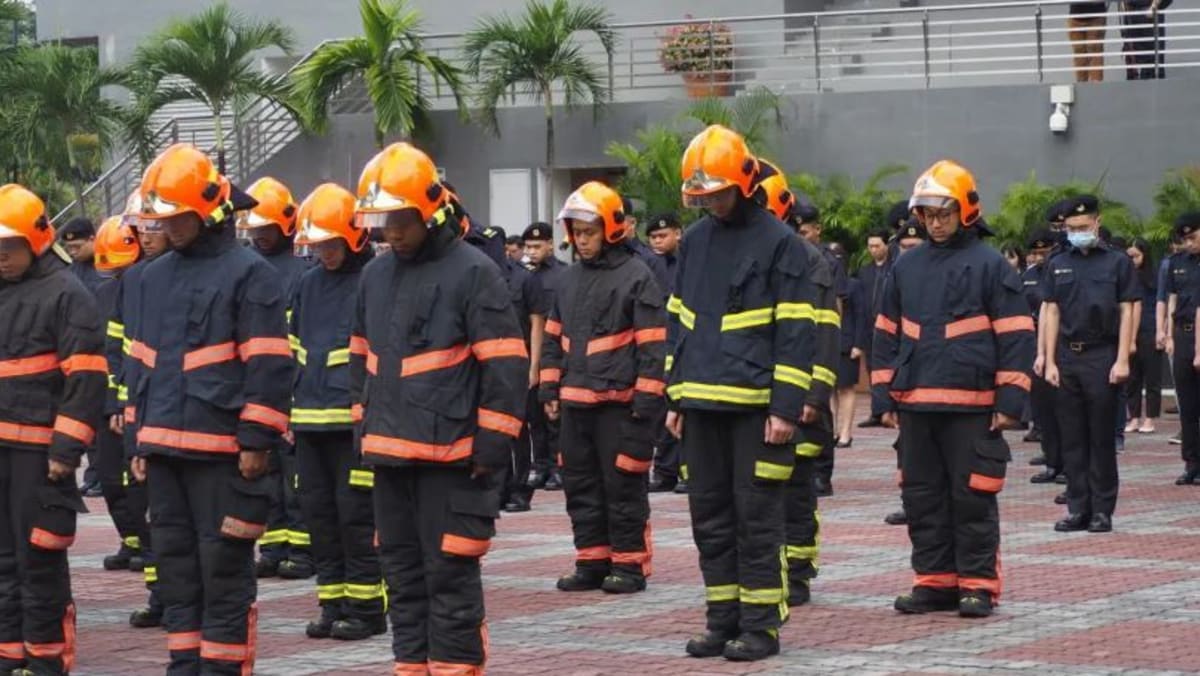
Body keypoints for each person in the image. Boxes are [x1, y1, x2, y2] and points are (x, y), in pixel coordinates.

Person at [351, 142, 528, 675]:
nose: (391, 232)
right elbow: (361, 363)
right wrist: (363, 436)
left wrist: (491, 448)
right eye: (382, 221)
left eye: (401, 219)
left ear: (429, 211)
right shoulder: (374, 276)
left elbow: (505, 365)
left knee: (449, 580)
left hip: (454, 461)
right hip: (389, 458)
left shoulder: (473, 270)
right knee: (401, 581)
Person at [127, 144, 293, 675]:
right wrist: (138, 441)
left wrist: (256, 439)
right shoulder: (151, 277)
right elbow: (142, 365)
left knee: (222, 569)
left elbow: (268, 363)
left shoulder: (252, 273)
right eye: (162, 219)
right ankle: (184, 666)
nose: (168, 228)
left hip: (224, 454)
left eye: (177, 218)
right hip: (165, 453)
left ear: (209, 210)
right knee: (175, 570)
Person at [668, 125, 817, 661]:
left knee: (756, 520)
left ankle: (760, 626)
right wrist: (676, 397)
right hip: (702, 405)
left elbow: (798, 330)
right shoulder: (695, 242)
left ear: (744, 183)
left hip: (757, 410)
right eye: (700, 197)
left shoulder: (782, 244)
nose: (708, 204)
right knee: (709, 518)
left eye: (716, 194)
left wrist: (784, 407)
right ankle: (721, 619)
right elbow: (679, 322)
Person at [872, 160, 1034, 618]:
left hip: (973, 405)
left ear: (966, 211)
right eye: (927, 215)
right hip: (917, 403)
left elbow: (1017, 333)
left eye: (944, 213)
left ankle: (977, 585)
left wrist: (1011, 401)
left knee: (972, 496)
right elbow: (885, 333)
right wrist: (883, 395)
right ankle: (935, 581)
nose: (936, 223)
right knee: (921, 496)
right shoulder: (906, 265)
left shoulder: (990, 264)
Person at [538, 182, 664, 594]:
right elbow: (554, 339)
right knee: (580, 484)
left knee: (622, 485)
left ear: (611, 229)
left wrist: (646, 403)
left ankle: (628, 565)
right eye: (576, 232)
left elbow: (652, 347)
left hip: (620, 405)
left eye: (588, 232)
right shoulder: (569, 280)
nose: (580, 240)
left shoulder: (637, 276)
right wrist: (548, 390)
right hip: (575, 404)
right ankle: (592, 559)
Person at [0, 184, 104, 676]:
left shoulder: (67, 294)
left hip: (41, 457)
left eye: (9, 248)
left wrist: (66, 450)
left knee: (39, 561)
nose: (1, 258)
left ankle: (45, 662)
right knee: (2, 564)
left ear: (37, 240)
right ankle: (9, 657)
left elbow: (84, 379)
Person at [286, 183, 386, 641]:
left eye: (332, 243)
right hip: (308, 422)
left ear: (354, 237)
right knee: (319, 516)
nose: (325, 252)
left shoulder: (375, 280)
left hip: (353, 425)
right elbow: (292, 349)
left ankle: (366, 609)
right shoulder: (306, 285)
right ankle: (331, 603)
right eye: (319, 245)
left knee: (356, 516)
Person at [754, 161, 838, 609]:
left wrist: (812, 395)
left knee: (797, 494)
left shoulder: (809, 262)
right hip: (754, 397)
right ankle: (767, 572)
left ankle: (799, 571)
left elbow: (824, 333)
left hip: (799, 400)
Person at [1041, 195, 1136, 533]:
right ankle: (1077, 507)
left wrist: (1123, 357)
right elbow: (1051, 310)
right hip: (1067, 355)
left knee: (1099, 436)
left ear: (1097, 222)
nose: (1077, 233)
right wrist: (1049, 359)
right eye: (1071, 229)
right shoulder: (1058, 262)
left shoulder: (1117, 262)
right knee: (1072, 437)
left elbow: (1127, 310)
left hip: (1102, 354)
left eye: (1083, 227)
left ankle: (1102, 510)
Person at [236, 177, 314, 581]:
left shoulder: (302, 273)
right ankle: (273, 544)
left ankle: (302, 549)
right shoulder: (248, 269)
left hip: (295, 388)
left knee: (295, 477)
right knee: (266, 474)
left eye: (267, 229)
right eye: (256, 230)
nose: (261, 236)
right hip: (261, 387)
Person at [110, 190, 170, 630]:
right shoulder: (132, 279)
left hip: (171, 407)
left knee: (173, 512)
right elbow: (119, 344)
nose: (145, 236)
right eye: (140, 227)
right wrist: (118, 398)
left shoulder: (178, 277)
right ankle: (159, 593)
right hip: (136, 406)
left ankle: (181, 595)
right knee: (142, 501)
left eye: (153, 226)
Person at [92, 217, 147, 574]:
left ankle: (145, 541)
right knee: (111, 480)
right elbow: (110, 349)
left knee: (140, 482)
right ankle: (130, 539)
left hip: (140, 400)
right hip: (111, 398)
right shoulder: (105, 293)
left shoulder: (150, 286)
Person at [793, 203, 846, 497]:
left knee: (819, 410)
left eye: (803, 231)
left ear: (816, 229)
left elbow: (835, 304)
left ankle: (822, 473)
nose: (800, 237)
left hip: (822, 336)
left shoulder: (827, 259)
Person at [881, 219, 928, 528]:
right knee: (906, 448)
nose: (908, 252)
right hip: (906, 379)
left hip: (936, 377)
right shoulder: (898, 275)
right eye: (904, 247)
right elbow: (885, 332)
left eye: (914, 247)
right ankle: (909, 503)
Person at [523, 222, 566, 492]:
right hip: (528, 352)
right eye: (528, 247)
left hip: (555, 351)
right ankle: (540, 466)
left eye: (538, 246)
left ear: (550, 244)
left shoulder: (563, 274)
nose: (532, 251)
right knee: (533, 417)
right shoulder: (523, 275)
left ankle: (558, 467)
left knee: (554, 416)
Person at [645, 212, 686, 494]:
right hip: (661, 344)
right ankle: (664, 471)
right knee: (663, 410)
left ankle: (687, 471)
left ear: (678, 233)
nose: (658, 241)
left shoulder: (693, 261)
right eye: (654, 237)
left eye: (663, 235)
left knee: (686, 409)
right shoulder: (650, 266)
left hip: (688, 342)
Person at [1026, 229, 1066, 487]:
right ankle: (1052, 462)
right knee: (1042, 411)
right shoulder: (1028, 277)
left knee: (1064, 411)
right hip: (1033, 346)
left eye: (1045, 252)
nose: (1041, 257)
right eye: (1036, 253)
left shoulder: (1063, 271)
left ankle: (1068, 466)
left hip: (1061, 346)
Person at [1165, 212, 1200, 485]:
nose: (1189, 243)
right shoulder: (1178, 264)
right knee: (1187, 406)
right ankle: (1191, 463)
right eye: (1185, 239)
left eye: (1193, 237)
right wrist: (1168, 335)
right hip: (1183, 335)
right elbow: (1171, 300)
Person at [857, 218, 898, 430]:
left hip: (891, 327)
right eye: (870, 246)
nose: (873, 250)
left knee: (891, 369)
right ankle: (877, 410)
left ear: (887, 245)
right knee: (873, 370)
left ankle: (892, 410)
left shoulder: (896, 268)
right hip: (870, 327)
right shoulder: (865, 272)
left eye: (877, 246)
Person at [830, 242, 867, 449]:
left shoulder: (853, 285)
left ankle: (846, 433)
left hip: (847, 344)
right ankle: (833, 430)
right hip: (828, 344)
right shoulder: (823, 282)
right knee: (828, 391)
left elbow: (862, 316)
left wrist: (858, 344)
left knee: (845, 389)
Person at [1126, 238, 1162, 433]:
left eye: (1136, 256)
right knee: (1132, 378)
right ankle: (1133, 417)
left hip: (1149, 329)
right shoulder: (1126, 277)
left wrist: (1161, 330)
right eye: (1129, 256)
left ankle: (1150, 418)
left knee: (1152, 377)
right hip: (1130, 330)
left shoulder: (1153, 277)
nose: (1132, 260)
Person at [1121, 0, 1168, 80]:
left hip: (1150, 13)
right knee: (1132, 55)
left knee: (1152, 58)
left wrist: (1153, 6)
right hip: (1131, 13)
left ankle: (1152, 81)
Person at [1069, 2, 1109, 82]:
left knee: (1092, 53)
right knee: (1082, 53)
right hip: (1077, 16)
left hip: (1093, 16)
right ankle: (1085, 86)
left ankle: (1092, 86)